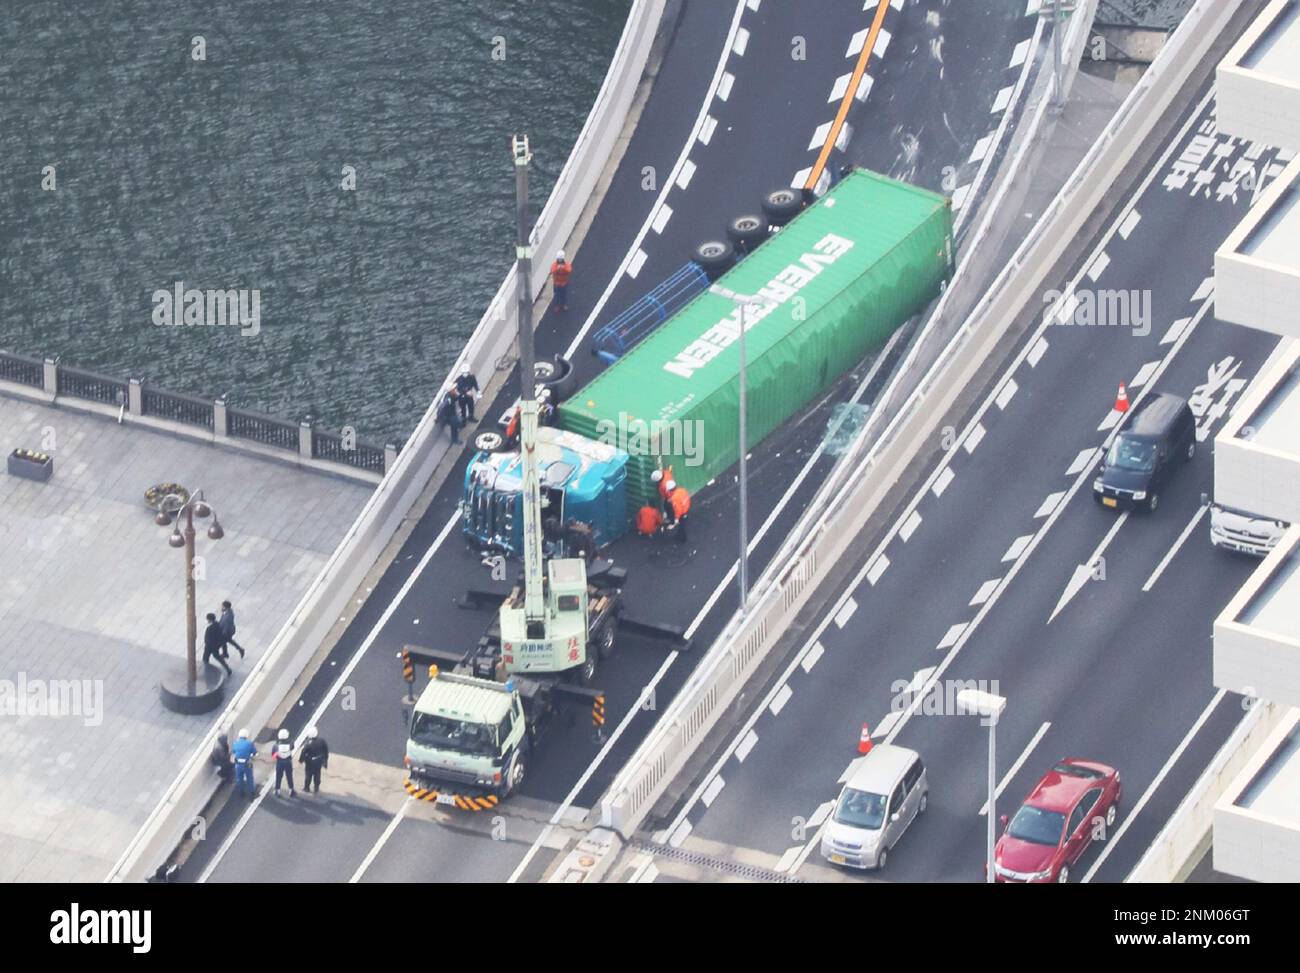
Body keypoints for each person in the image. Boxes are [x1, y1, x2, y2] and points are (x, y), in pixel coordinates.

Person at [299, 726, 329, 794]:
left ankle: (306, 788)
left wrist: (301, 760)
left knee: (308, 775)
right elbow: (326, 750)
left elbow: (303, 752)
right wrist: (325, 760)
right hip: (319, 761)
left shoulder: (308, 744)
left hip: (310, 762)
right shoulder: (322, 741)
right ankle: (316, 787)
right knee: (317, 774)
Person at [232, 728, 257, 798]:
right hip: (247, 764)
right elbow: (255, 752)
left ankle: (241, 793)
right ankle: (252, 793)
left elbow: (234, 751)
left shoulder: (235, 743)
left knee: (239, 778)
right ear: (247, 736)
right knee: (249, 778)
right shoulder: (249, 743)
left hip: (238, 764)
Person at [271, 728, 296, 798]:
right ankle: (291, 790)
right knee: (289, 776)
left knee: (278, 776)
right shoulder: (291, 743)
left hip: (280, 762)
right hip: (288, 762)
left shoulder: (276, 745)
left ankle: (277, 790)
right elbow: (292, 747)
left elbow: (273, 755)